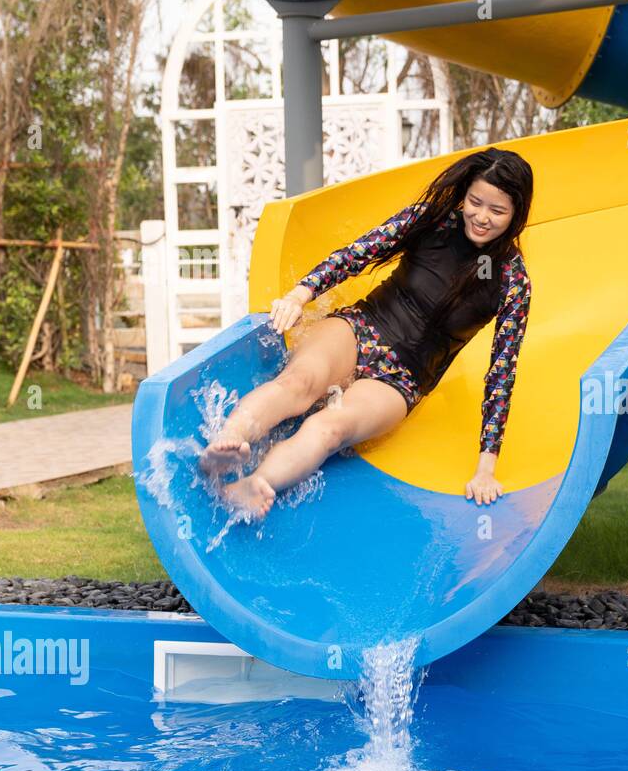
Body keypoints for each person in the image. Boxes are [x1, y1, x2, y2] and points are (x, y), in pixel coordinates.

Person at [198, 148, 534, 520]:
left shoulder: (511, 280)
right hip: (363, 327)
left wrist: (486, 468)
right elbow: (358, 253)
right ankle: (228, 440)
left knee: (330, 427)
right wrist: (300, 293)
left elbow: (502, 374)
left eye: (498, 211)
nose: (482, 218)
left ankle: (254, 485)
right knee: (299, 383)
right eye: (475, 202)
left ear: (517, 215)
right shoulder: (433, 220)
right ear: (465, 193)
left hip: (403, 377)